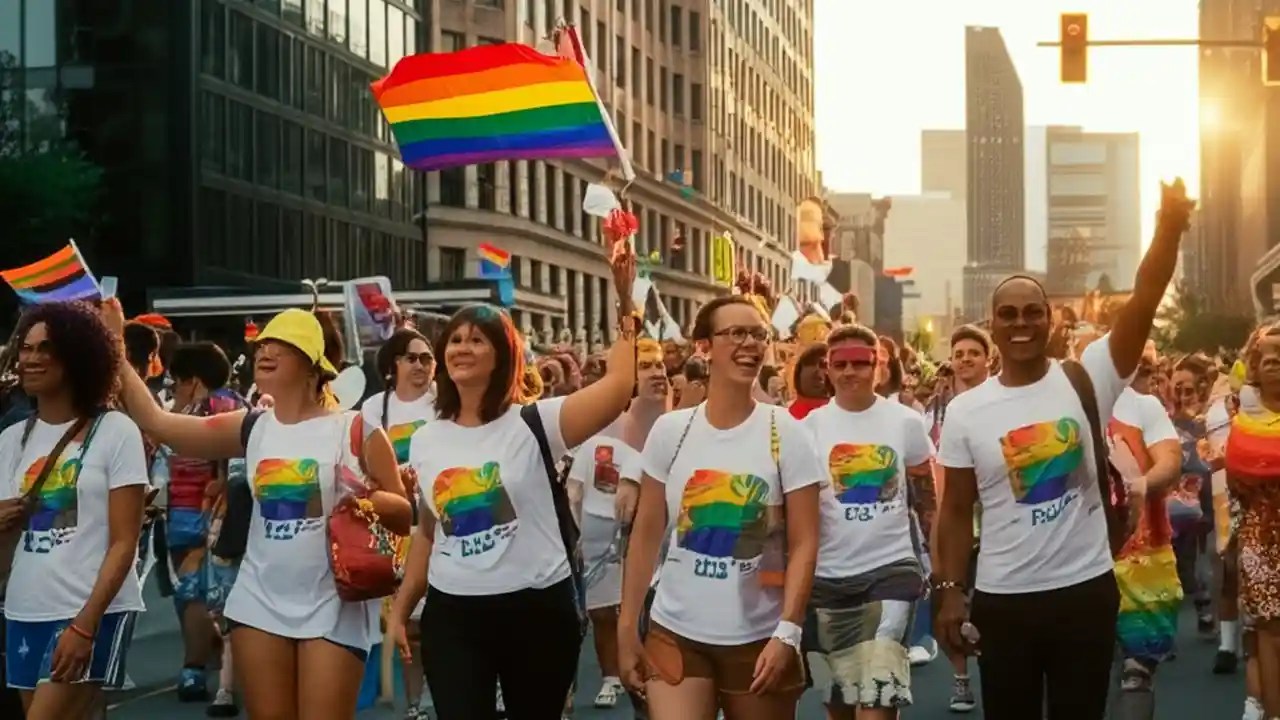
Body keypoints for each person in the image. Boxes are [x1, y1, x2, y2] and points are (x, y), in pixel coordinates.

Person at [933, 180, 1192, 719]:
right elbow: (955, 510)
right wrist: (951, 590)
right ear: (993, 324)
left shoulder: (1087, 377)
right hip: (1003, 599)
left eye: (1033, 312)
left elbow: (1144, 300)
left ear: (1050, 319)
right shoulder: (966, 411)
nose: (1022, 323)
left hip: (1084, 592)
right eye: (1009, 314)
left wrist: (1168, 229)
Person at [104, 302, 413, 719]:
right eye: (264, 344)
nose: (265, 352)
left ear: (312, 365)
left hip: (334, 605)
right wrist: (117, 348)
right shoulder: (252, 426)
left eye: (282, 345)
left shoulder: (357, 430)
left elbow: (402, 515)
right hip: (259, 602)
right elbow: (159, 424)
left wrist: (367, 498)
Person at [390, 249, 638, 720]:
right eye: (456, 339)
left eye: (478, 340)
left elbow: (620, 384)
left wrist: (626, 304)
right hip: (454, 616)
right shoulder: (427, 439)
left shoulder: (537, 422)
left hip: (537, 611)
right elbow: (428, 529)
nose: (463, 347)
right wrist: (403, 608)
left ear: (503, 354)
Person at [619, 295, 824, 720]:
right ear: (704, 347)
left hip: (758, 637)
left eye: (758, 335)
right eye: (736, 333)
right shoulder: (670, 431)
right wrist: (626, 626)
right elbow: (646, 532)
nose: (749, 343)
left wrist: (788, 630)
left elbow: (805, 541)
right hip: (675, 631)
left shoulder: (786, 431)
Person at [0, 301, 149, 720]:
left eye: (45, 348)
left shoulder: (116, 432)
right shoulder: (11, 440)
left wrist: (85, 625)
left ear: (77, 356)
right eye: (25, 347)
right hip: (23, 610)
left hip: (89, 612)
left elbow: (125, 541)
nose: (30, 358)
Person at [802, 324, 934, 719]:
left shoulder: (905, 422)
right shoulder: (807, 429)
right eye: (839, 363)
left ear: (879, 365)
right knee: (840, 707)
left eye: (860, 362)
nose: (849, 371)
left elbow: (926, 499)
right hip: (826, 581)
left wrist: (939, 568)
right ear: (827, 368)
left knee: (876, 702)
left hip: (890, 573)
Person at [1106, 349, 1183, 720]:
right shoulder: (1063, 405)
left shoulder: (1142, 406)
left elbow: (1170, 458)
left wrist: (1142, 484)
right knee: (1068, 676)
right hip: (1070, 563)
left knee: (1136, 673)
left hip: (1140, 559)